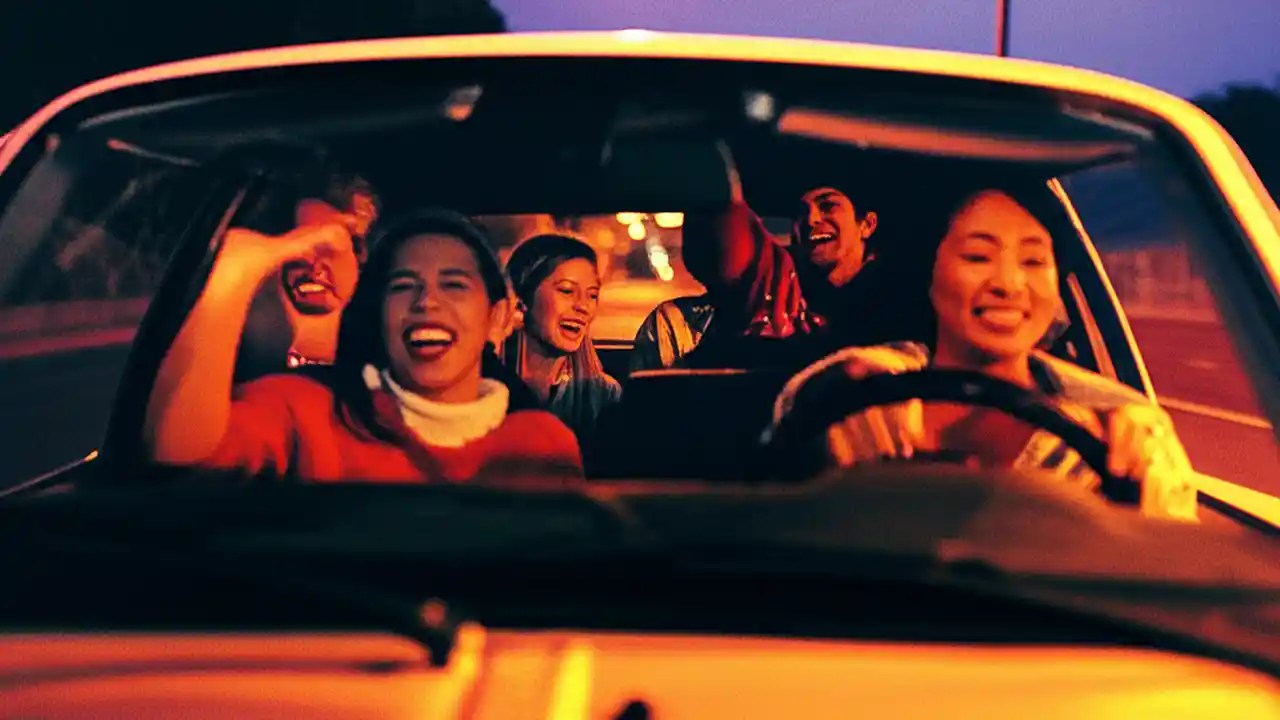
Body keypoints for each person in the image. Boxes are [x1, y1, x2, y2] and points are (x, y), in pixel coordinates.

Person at [767, 184, 1199, 521]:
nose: (1008, 284)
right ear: (930, 274)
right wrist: (842, 400)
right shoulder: (864, 392)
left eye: (1032, 261)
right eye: (978, 256)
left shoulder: (1127, 425)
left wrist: (1144, 475)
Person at [145, 207, 583, 484]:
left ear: (497, 317)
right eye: (403, 285)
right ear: (377, 314)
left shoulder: (542, 443)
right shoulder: (304, 408)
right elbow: (177, 459)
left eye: (454, 285)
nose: (427, 301)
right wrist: (233, 272)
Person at [630, 183, 881, 372]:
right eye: (800, 212)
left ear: (867, 225)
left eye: (828, 206)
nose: (811, 219)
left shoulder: (887, 305)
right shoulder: (674, 322)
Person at [221, 143, 382, 380]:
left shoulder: (381, 377)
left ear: (360, 256)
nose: (309, 259)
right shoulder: (237, 370)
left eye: (324, 244)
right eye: (298, 242)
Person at [503, 233, 622, 441]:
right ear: (521, 299)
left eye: (592, 295)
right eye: (567, 291)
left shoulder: (603, 394)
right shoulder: (485, 387)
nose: (583, 307)